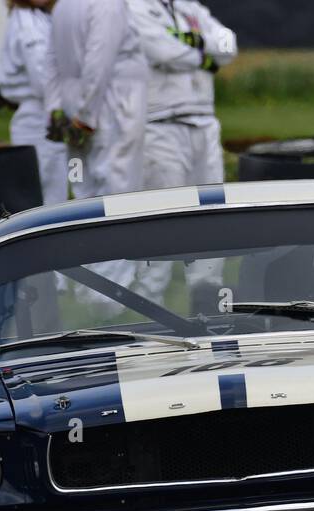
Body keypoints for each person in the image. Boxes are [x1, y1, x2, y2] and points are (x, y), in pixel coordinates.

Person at [125, 0, 237, 306]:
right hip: (160, 122)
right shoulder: (134, 7)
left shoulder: (189, 8)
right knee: (163, 212)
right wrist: (207, 54)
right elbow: (162, 52)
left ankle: (205, 292)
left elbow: (229, 43)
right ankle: (148, 297)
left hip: (203, 119)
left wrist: (196, 43)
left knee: (211, 208)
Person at [47, 0, 148, 200]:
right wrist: (85, 116)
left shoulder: (61, 6)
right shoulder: (108, 4)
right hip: (110, 108)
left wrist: (55, 107)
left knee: (82, 186)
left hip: (73, 106)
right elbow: (98, 61)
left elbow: (50, 60)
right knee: (119, 190)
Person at [0, 0, 67, 205]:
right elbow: (43, 79)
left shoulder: (41, 16)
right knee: (43, 194)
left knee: (54, 188)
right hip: (39, 115)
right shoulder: (27, 21)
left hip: (46, 111)